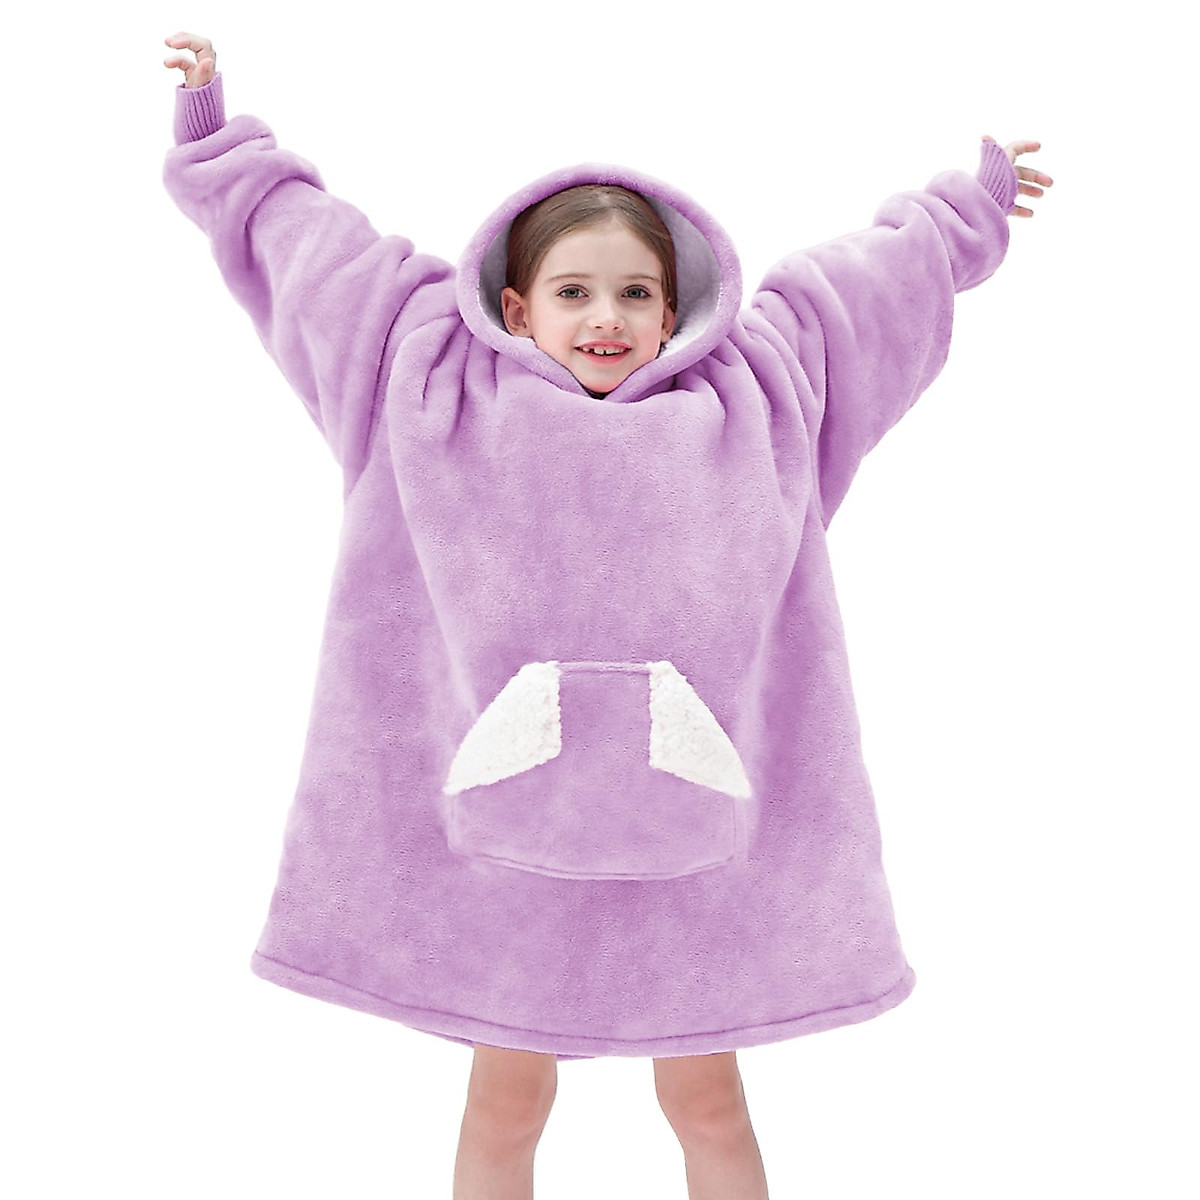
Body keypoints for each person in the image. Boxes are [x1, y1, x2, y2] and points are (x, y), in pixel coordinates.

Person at [162, 32, 1052, 1200]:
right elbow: (314, 255)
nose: (606, 316)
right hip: (499, 854)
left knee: (709, 1101)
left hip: (699, 846)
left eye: (636, 293)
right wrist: (216, 133)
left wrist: (966, 211)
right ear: (516, 303)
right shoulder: (421, 378)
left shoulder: (755, 396)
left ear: (676, 307)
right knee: (505, 1102)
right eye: (574, 292)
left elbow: (861, 296)